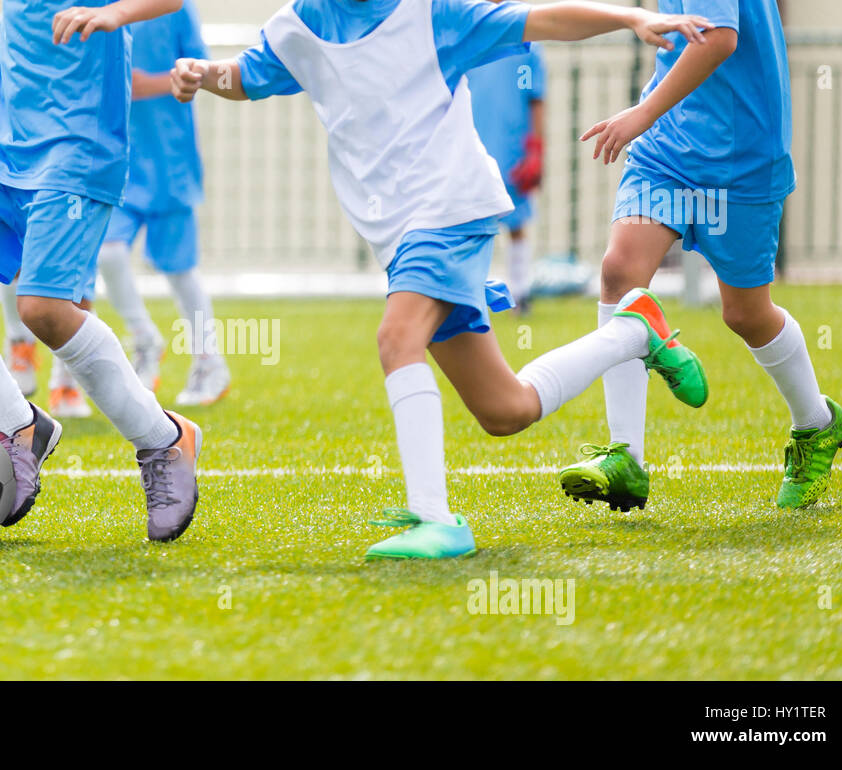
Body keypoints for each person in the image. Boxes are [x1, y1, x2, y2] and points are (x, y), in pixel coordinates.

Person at [170, 0, 714, 560]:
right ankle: (634, 332)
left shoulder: (433, 13)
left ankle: (436, 520)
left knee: (396, 338)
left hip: (450, 210)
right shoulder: (298, 24)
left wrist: (629, 19)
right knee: (506, 411)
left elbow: (543, 19)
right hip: (399, 235)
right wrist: (202, 74)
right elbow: (246, 76)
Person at [0, 0, 204, 543]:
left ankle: (163, 438)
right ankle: (18, 426)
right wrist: (17, 41)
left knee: (43, 310)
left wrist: (115, 14)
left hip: (77, 140)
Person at [561, 0, 842, 512]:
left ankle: (817, 424)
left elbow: (719, 38)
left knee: (745, 314)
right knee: (620, 272)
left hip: (743, 160)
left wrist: (640, 113)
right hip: (667, 151)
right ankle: (626, 459)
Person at [0, 12, 94, 418]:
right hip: (4, 169)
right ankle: (19, 345)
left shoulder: (83, 22)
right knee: (11, 264)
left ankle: (66, 382)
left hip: (68, 168)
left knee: (74, 277)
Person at [97, 0, 231, 406]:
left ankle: (210, 363)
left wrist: (144, 84)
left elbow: (201, 70)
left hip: (171, 161)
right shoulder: (101, 7)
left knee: (180, 270)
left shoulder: (177, 7)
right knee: (108, 252)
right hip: (118, 160)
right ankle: (144, 338)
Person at [466, 43, 546, 311]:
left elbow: (536, 99)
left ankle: (520, 293)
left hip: (511, 145)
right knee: (468, 222)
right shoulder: (469, 31)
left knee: (516, 220)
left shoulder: (527, 44)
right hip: (471, 141)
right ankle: (469, 294)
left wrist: (535, 149)